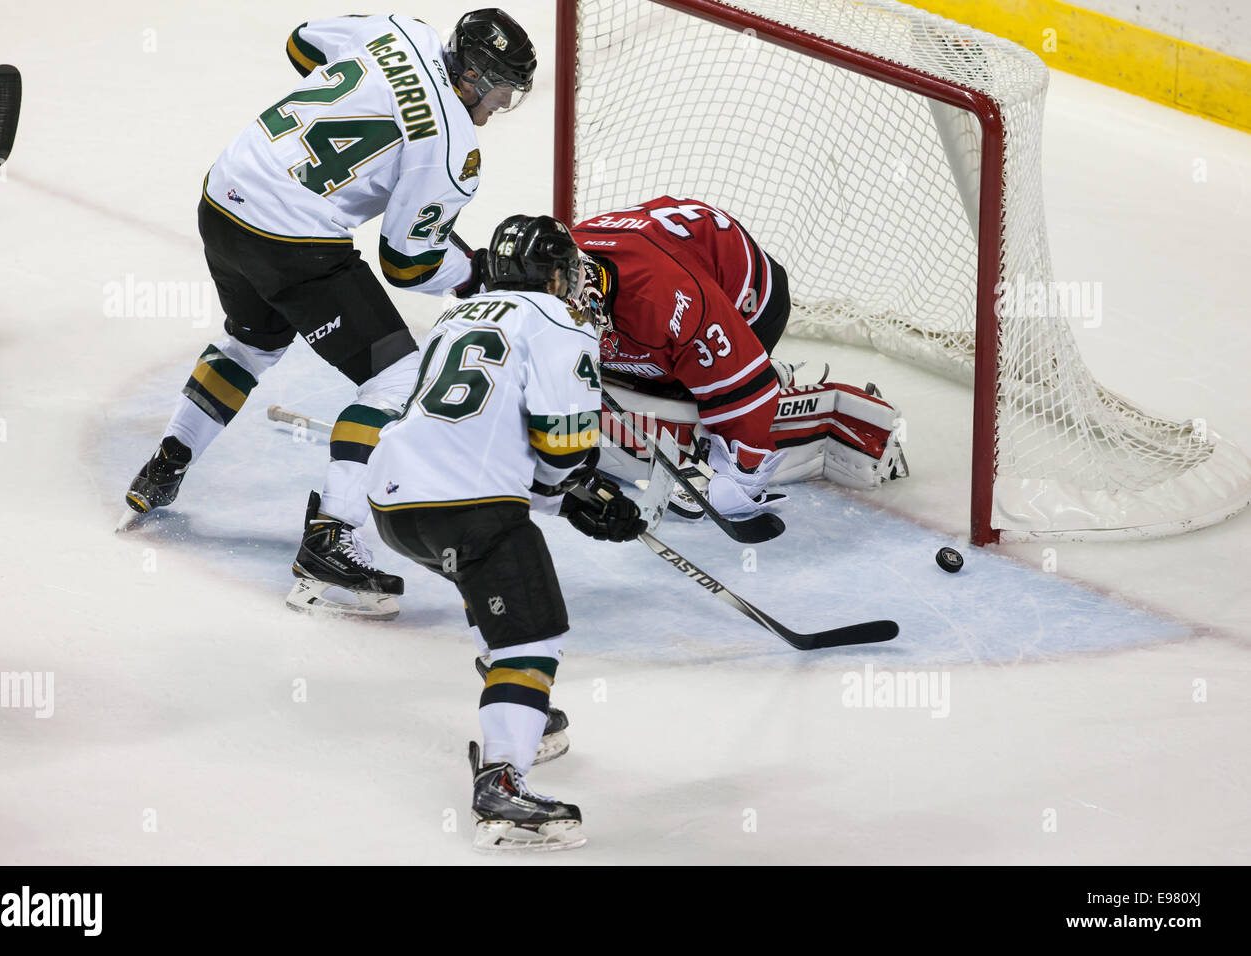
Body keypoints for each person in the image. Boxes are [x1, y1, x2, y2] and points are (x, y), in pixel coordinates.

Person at [119, 10, 537, 620]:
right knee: (396, 380)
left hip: (225, 193)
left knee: (252, 343)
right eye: (501, 90)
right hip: (292, 241)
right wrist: (476, 276)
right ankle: (329, 539)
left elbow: (300, 41)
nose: (502, 104)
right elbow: (406, 262)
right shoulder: (453, 147)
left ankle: (164, 466)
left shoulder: (400, 29)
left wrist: (375, 97)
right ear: (473, 76)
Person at [366, 214, 646, 851]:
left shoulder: (459, 314)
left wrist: (562, 493)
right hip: (466, 505)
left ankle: (523, 714)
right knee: (534, 632)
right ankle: (502, 786)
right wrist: (579, 490)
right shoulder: (558, 322)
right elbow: (563, 443)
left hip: (395, 502)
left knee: (487, 580)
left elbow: (486, 433)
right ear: (554, 274)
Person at [570, 196, 907, 520]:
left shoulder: (668, 301)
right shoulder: (553, 281)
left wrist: (742, 476)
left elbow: (744, 392)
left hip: (747, 304)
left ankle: (836, 422)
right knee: (604, 389)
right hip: (670, 279)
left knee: (686, 413)